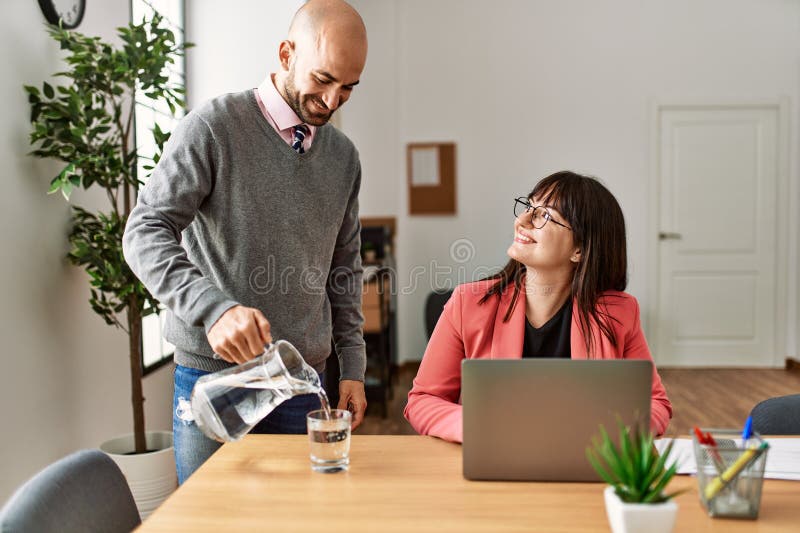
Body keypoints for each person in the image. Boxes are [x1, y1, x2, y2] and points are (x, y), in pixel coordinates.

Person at [123, 0, 369, 483]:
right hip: (215, 380)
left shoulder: (343, 157)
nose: (332, 100)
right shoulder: (213, 127)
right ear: (285, 53)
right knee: (211, 521)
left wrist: (353, 365)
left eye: (348, 88)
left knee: (301, 521)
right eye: (322, 80)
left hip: (304, 384)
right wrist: (213, 309)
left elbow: (345, 267)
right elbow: (144, 230)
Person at [404, 171, 672, 443]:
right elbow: (424, 400)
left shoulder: (618, 313)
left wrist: (623, 433)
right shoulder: (467, 304)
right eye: (529, 207)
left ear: (579, 249)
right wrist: (478, 426)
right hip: (494, 458)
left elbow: (656, 403)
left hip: (585, 463)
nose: (521, 221)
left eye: (544, 215)